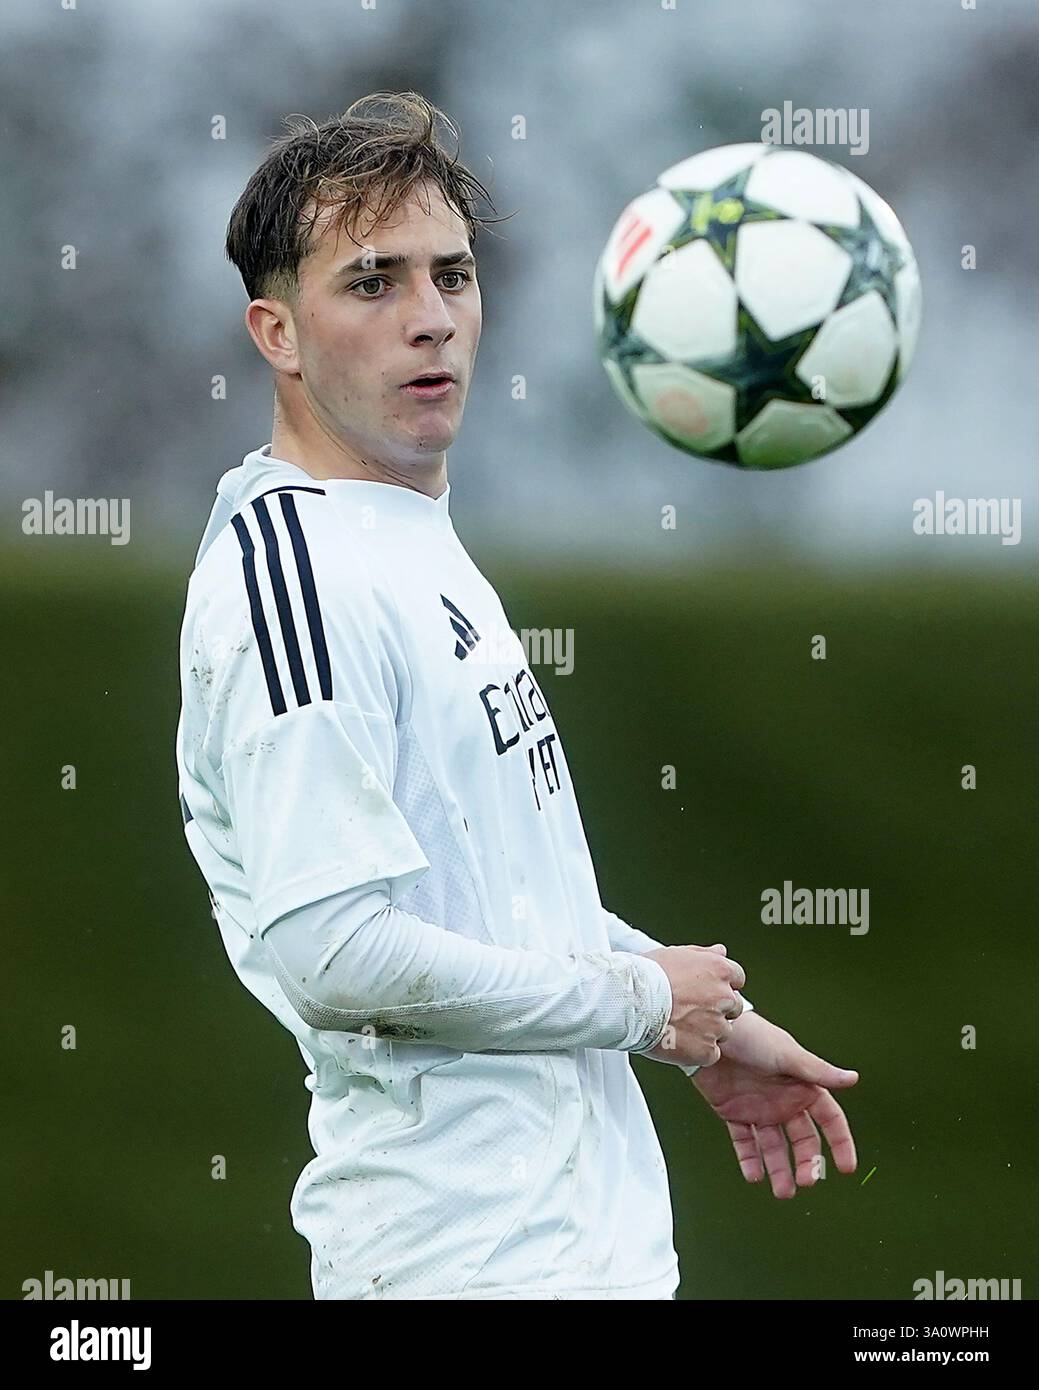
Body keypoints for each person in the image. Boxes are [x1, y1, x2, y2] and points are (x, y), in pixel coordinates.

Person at [175, 90, 859, 1301]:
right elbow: (334, 950)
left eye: (453, 275)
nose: (431, 320)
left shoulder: (408, 537)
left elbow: (489, 896)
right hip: (462, 1263)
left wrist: (700, 1018)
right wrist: (640, 1002)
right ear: (276, 333)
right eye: (373, 283)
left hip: (581, 1256)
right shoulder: (300, 576)